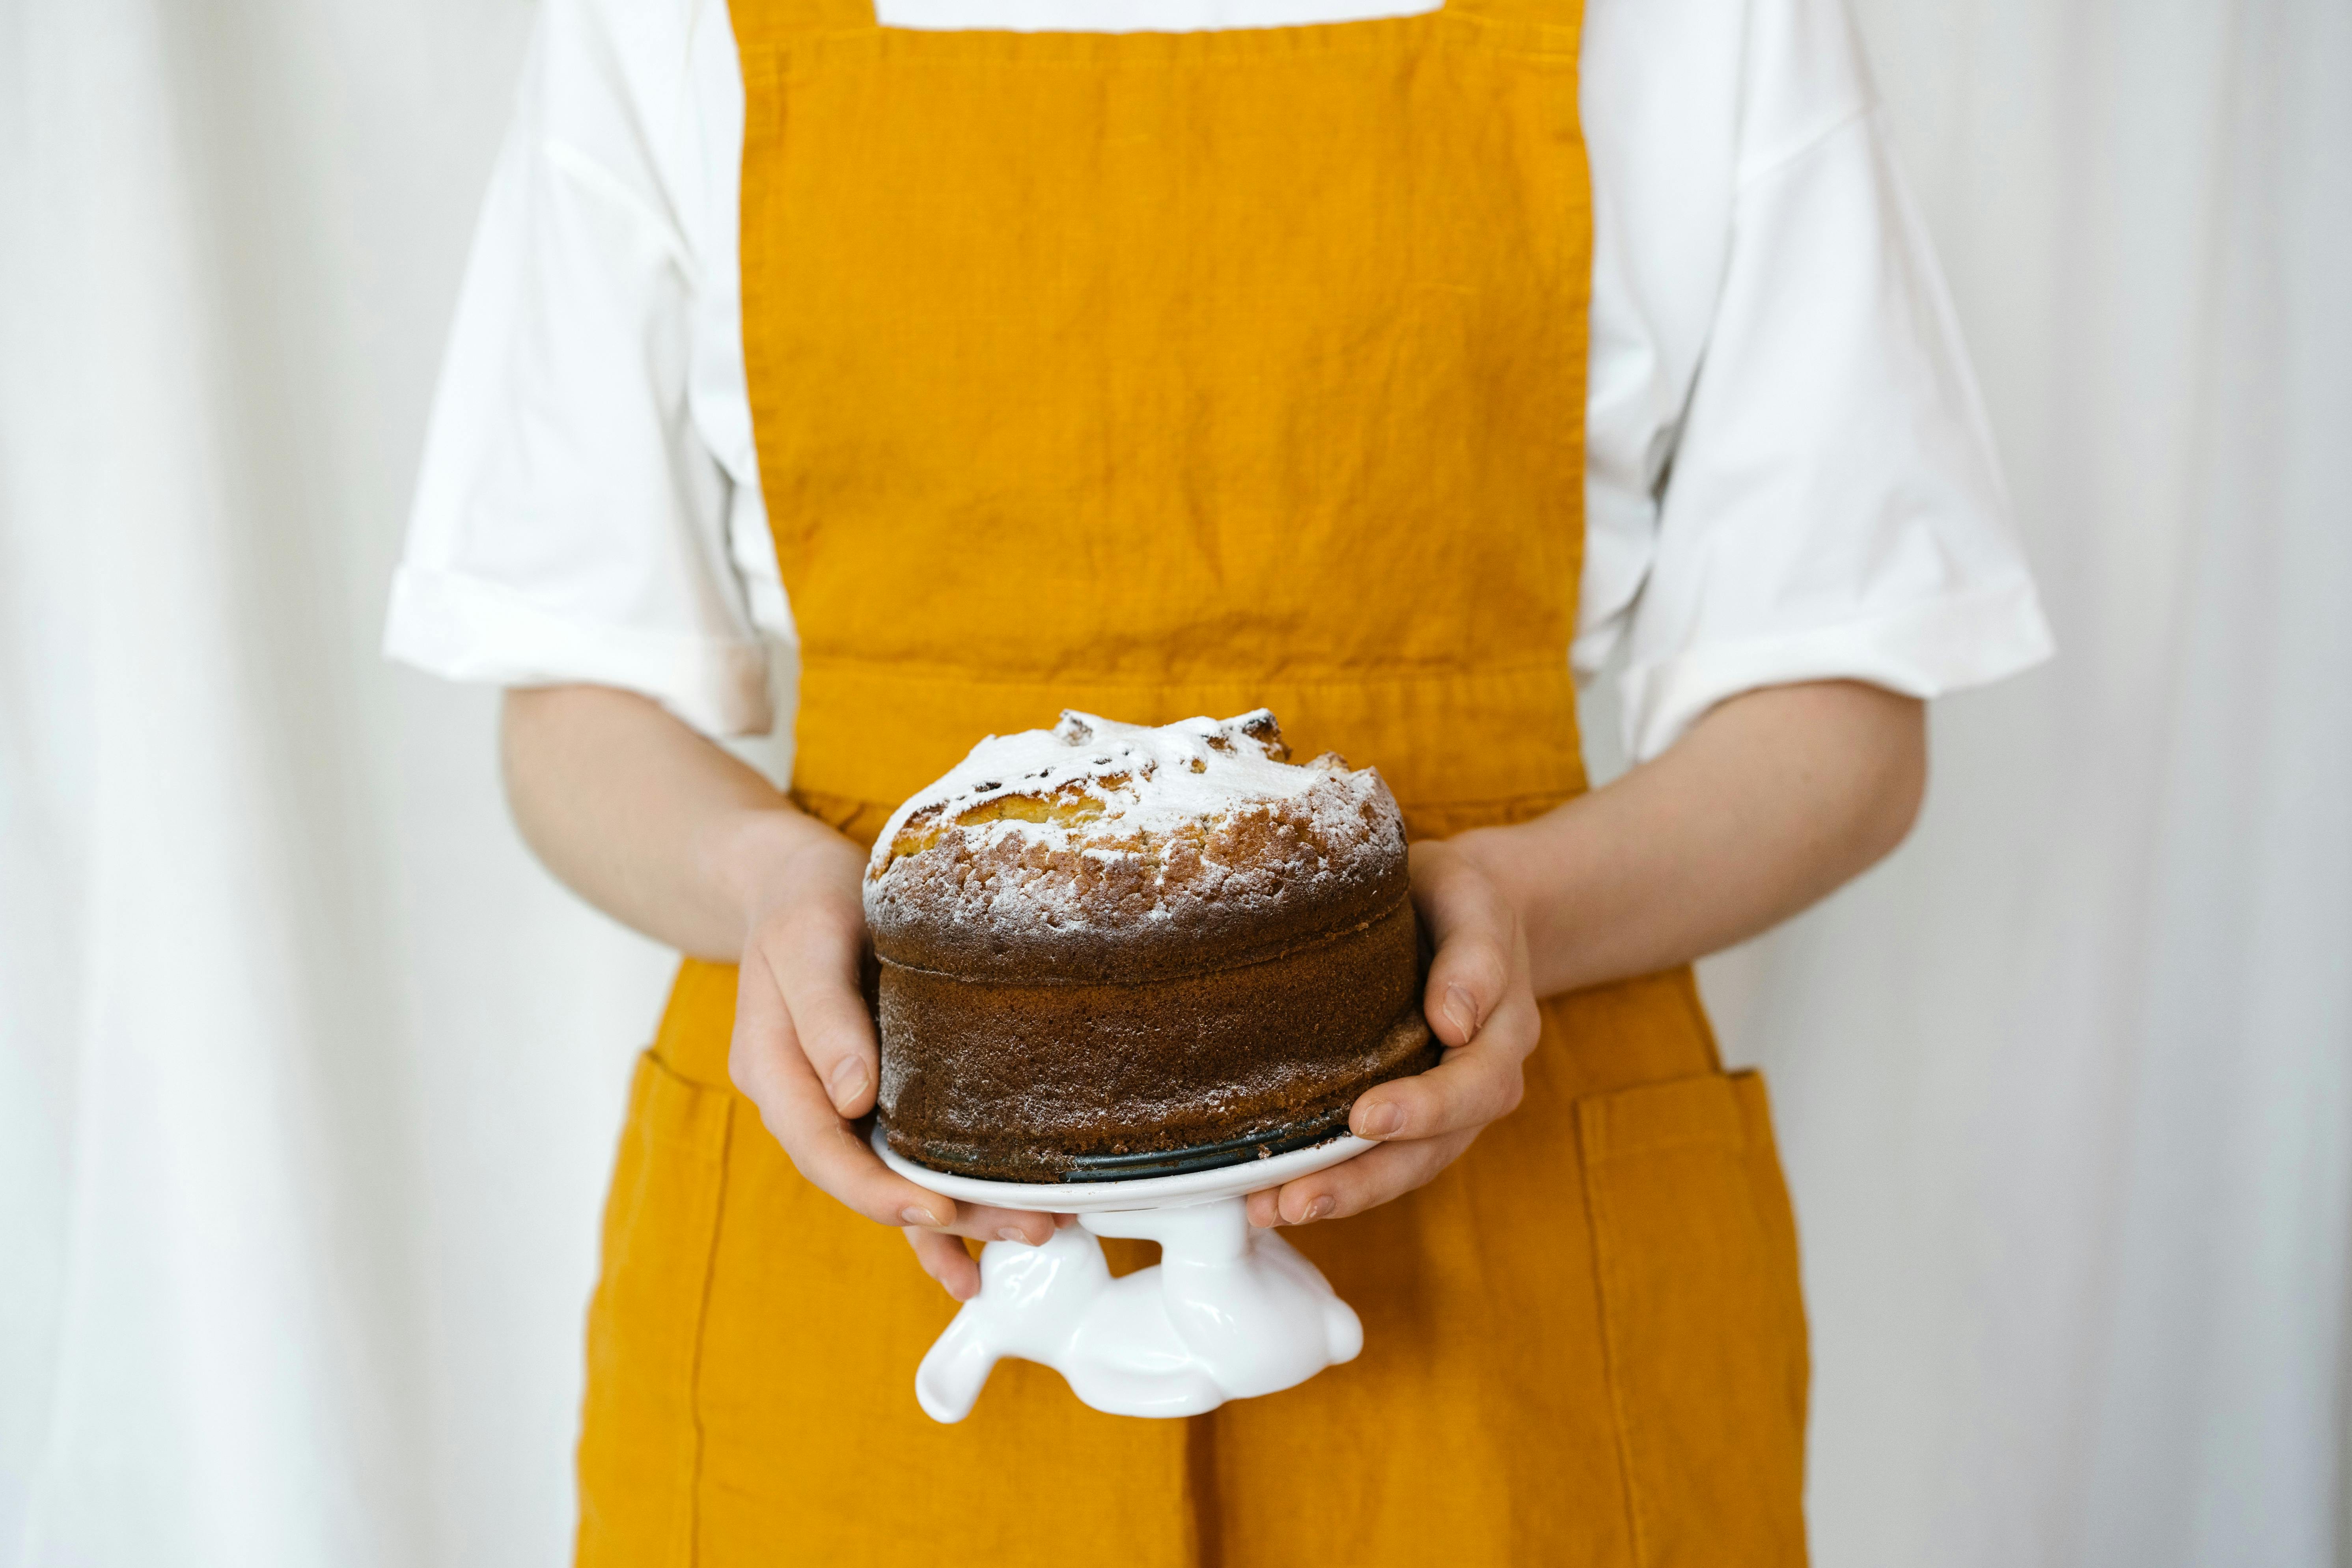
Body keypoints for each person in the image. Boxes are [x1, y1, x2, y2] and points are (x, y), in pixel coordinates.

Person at [388, 0, 2051, 1556]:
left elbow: (1842, 710)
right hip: (875, 1228)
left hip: (1504, 1238)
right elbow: (569, 701)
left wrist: (1519, 905)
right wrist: (766, 881)